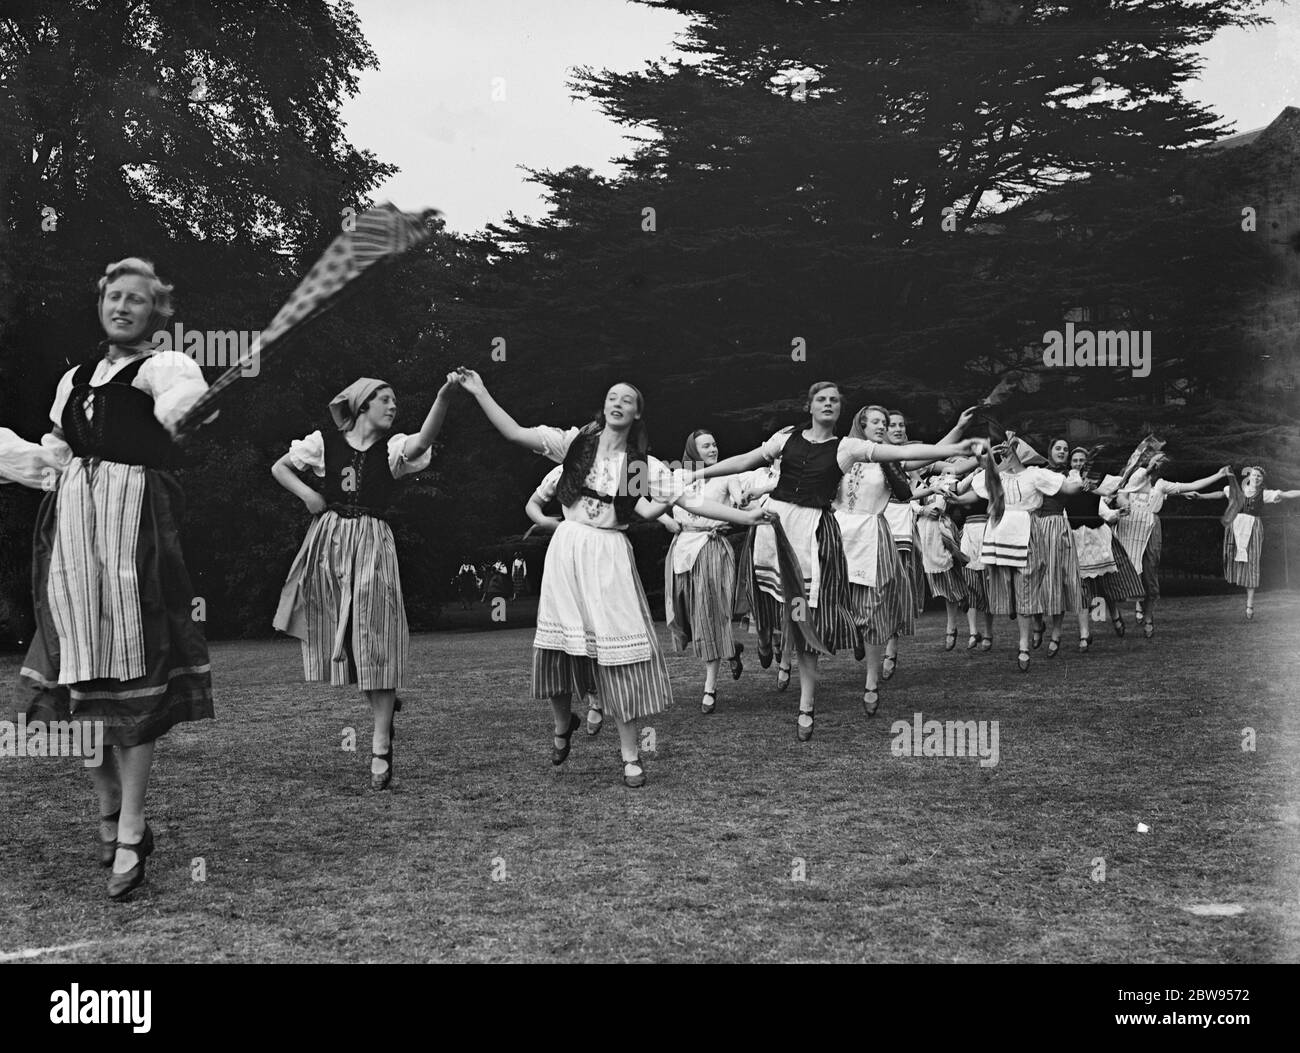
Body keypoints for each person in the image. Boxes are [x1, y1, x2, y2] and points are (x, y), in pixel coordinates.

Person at [0, 257, 213, 900]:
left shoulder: (166, 368)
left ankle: (131, 825)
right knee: (75, 668)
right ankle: (108, 804)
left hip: (135, 524)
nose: (122, 306)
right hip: (72, 526)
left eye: (137, 300)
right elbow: (56, 457)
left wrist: (185, 409)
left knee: (131, 664)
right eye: (114, 297)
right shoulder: (74, 380)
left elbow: (181, 408)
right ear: (101, 305)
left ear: (157, 313)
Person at [460, 369, 771, 788]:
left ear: (638, 412)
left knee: (619, 654)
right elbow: (516, 433)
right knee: (558, 645)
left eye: (627, 398)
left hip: (609, 554)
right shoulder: (575, 445)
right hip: (567, 551)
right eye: (612, 396)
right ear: (603, 406)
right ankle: (561, 723)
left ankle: (629, 756)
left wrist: (746, 515)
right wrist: (480, 391)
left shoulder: (639, 467)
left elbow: (691, 499)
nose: (618, 402)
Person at [696, 383, 982, 740]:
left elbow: (910, 456)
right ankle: (771, 641)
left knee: (832, 612)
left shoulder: (856, 451)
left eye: (834, 400)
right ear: (811, 406)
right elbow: (750, 462)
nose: (828, 404)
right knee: (779, 601)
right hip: (795, 529)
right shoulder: (796, 442)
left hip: (838, 534)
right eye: (821, 399)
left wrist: (955, 441)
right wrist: (699, 474)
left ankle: (835, 693)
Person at [272, 374, 457, 791]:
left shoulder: (392, 450)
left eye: (395, 400)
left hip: (373, 543)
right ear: (362, 405)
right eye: (385, 399)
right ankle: (385, 712)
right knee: (351, 642)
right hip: (331, 543)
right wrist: (308, 496)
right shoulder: (325, 443)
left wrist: (443, 395)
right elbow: (280, 468)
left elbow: (423, 441)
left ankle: (379, 745)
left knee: (376, 635)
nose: (393, 407)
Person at [962, 434, 1085, 671]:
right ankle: (1027, 630)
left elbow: (1070, 488)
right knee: (1007, 589)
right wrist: (955, 495)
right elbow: (975, 491)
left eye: (1009, 449)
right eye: (1002, 450)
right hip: (1000, 537)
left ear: (1020, 451)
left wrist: (1076, 476)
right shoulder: (995, 476)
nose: (1004, 453)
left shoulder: (1035, 474)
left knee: (1026, 587)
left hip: (1028, 533)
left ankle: (1024, 645)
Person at [658, 430, 746, 714]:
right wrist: (665, 520)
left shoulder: (726, 476)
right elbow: (647, 503)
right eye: (706, 445)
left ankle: (710, 687)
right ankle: (729, 648)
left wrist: (742, 502)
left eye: (714, 444)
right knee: (686, 615)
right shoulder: (678, 478)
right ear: (693, 451)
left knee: (709, 614)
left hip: (711, 548)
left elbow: (739, 498)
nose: (713, 449)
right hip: (682, 548)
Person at [1099, 452, 1231, 638]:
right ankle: (1115, 614)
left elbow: (1192, 485)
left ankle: (1148, 616)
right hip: (1128, 526)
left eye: (1161, 463)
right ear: (1148, 462)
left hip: (1150, 528)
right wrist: (1123, 503)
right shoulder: (1134, 477)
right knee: (1120, 571)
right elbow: (1120, 495)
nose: (1157, 465)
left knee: (1150, 571)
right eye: (1155, 461)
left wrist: (1218, 475)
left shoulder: (1161, 485)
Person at [1183, 466, 1300, 619]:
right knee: (1232, 557)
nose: (1256, 478)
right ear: (1249, 476)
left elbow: (1285, 494)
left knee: (1251, 562)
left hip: (1252, 527)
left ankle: (1250, 604)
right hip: (1235, 524)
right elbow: (1221, 494)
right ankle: (1235, 586)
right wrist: (1200, 496)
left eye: (1259, 476)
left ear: (1262, 480)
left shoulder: (1264, 494)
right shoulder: (1236, 490)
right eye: (1254, 475)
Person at [1062, 446, 1142, 644]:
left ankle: (1115, 616)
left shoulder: (1095, 487)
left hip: (1097, 539)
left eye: (1082, 460)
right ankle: (1084, 634)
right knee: (1081, 588)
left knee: (1105, 584)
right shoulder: (1066, 484)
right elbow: (1063, 512)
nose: (1078, 463)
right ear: (1070, 464)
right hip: (1076, 540)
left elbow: (1105, 512)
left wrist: (1118, 513)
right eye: (1075, 460)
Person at [1034, 437, 1084, 656]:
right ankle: (1037, 624)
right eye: (1058, 448)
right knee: (1032, 577)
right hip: (1035, 525)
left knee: (1056, 579)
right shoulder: (1037, 471)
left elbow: (1076, 488)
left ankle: (1056, 632)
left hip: (1055, 525)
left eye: (1065, 449)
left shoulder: (1069, 475)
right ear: (1050, 450)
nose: (1062, 452)